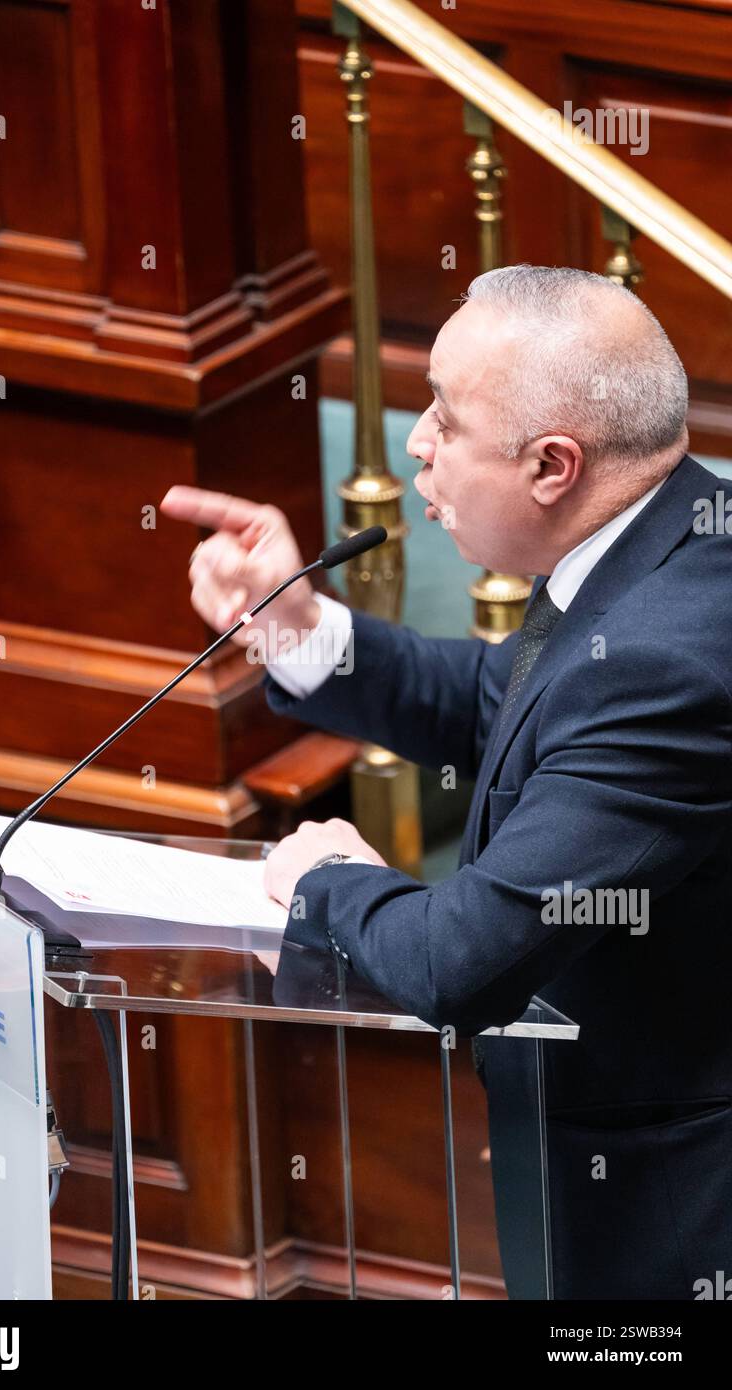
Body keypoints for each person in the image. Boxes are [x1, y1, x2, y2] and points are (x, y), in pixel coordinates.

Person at [161, 265, 732, 1300]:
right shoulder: (671, 540)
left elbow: (462, 960)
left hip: (675, 1216)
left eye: (446, 417)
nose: (416, 442)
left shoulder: (668, 656)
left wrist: (330, 878)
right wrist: (301, 629)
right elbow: (510, 708)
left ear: (553, 465)